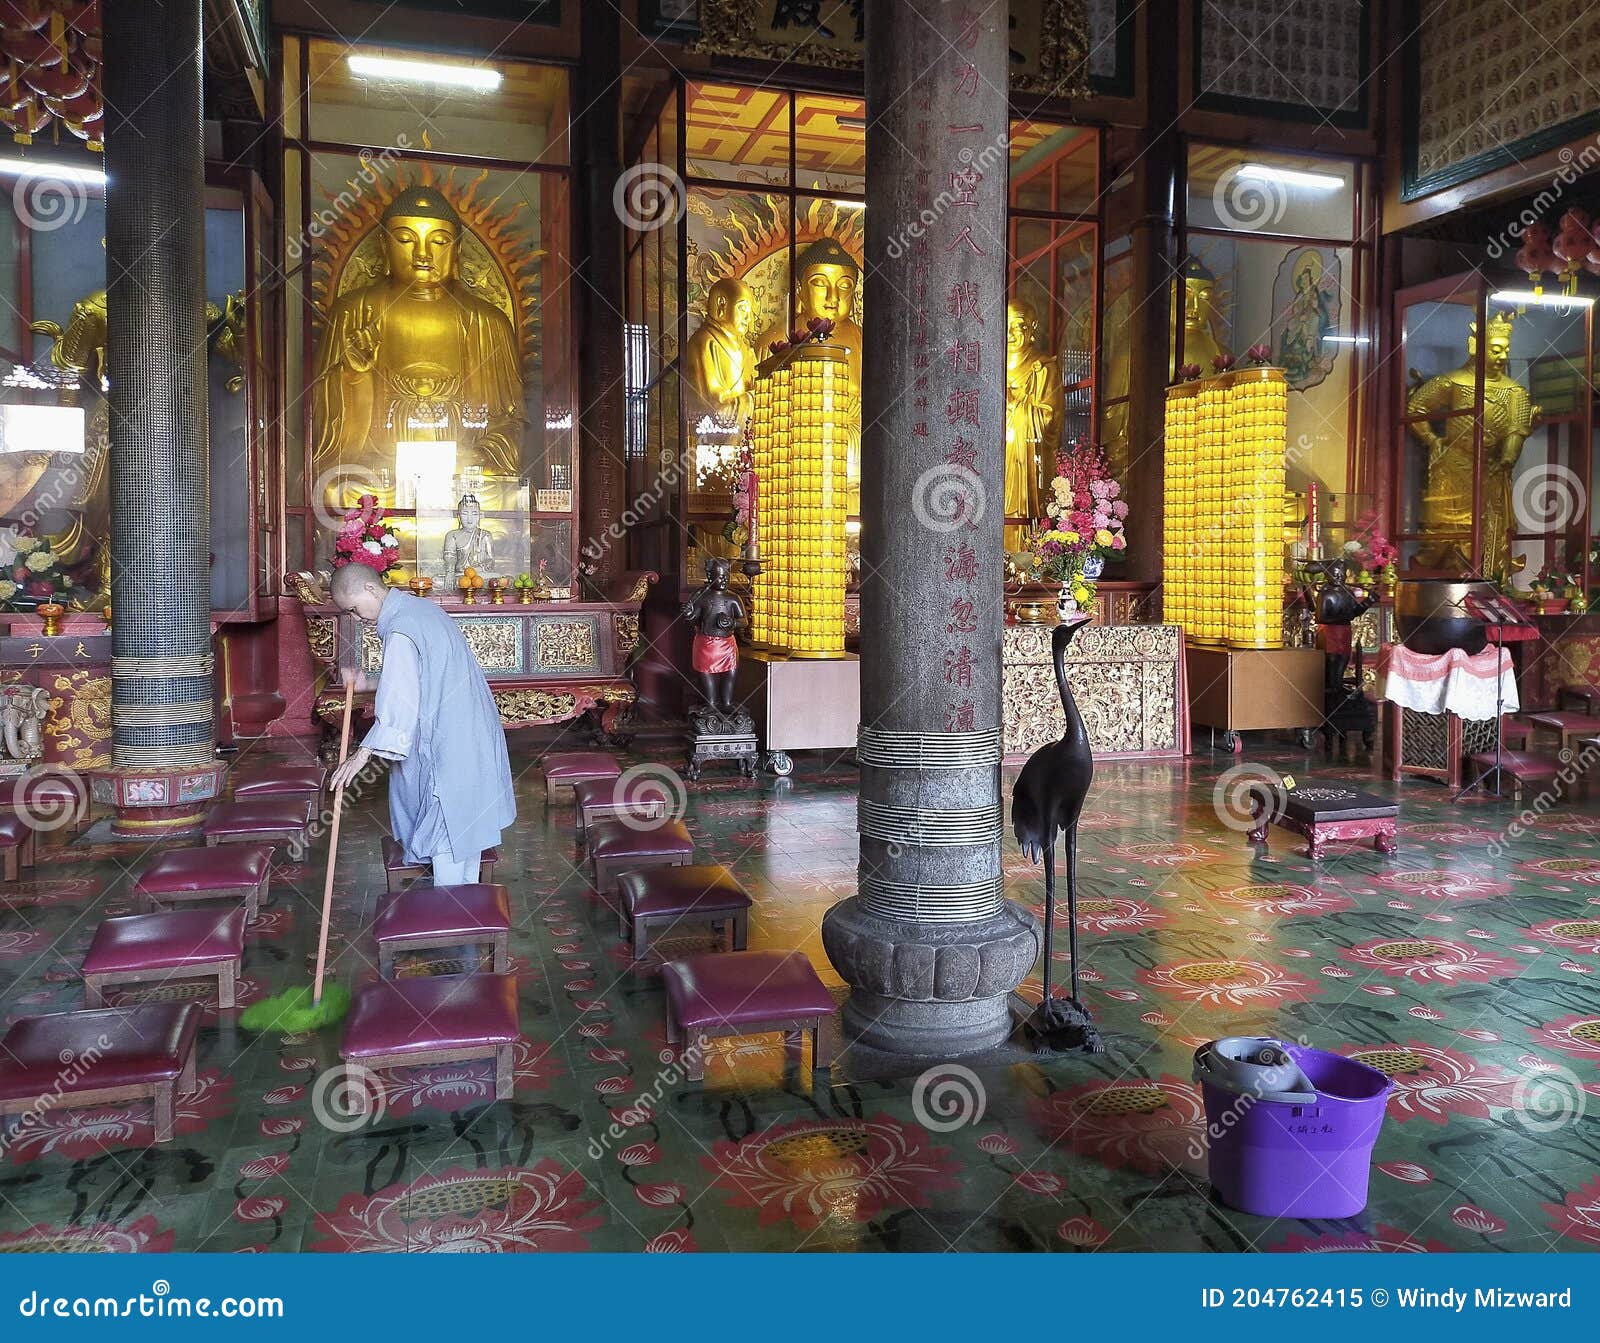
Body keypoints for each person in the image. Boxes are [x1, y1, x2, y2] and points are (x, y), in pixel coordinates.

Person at [327, 562, 515, 884]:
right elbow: (423, 677)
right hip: (470, 731)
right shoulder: (421, 609)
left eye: (354, 609)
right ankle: (467, 905)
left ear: (370, 588)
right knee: (465, 828)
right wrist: (371, 683)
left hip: (446, 742)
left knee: (446, 830)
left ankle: (451, 909)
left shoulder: (401, 628)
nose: (357, 618)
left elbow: (401, 704)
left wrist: (363, 754)